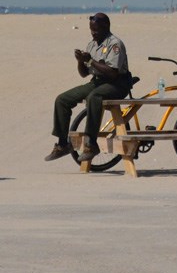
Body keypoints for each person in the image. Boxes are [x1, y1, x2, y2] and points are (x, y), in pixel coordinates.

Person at [45, 12, 132, 162]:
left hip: (117, 84)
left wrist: (90, 61)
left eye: (96, 30)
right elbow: (84, 74)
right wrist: (80, 61)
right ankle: (62, 144)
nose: (93, 33)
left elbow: (112, 74)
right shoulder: (92, 44)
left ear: (106, 27)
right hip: (97, 82)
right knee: (62, 99)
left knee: (94, 97)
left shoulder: (114, 44)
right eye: (91, 30)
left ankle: (91, 143)